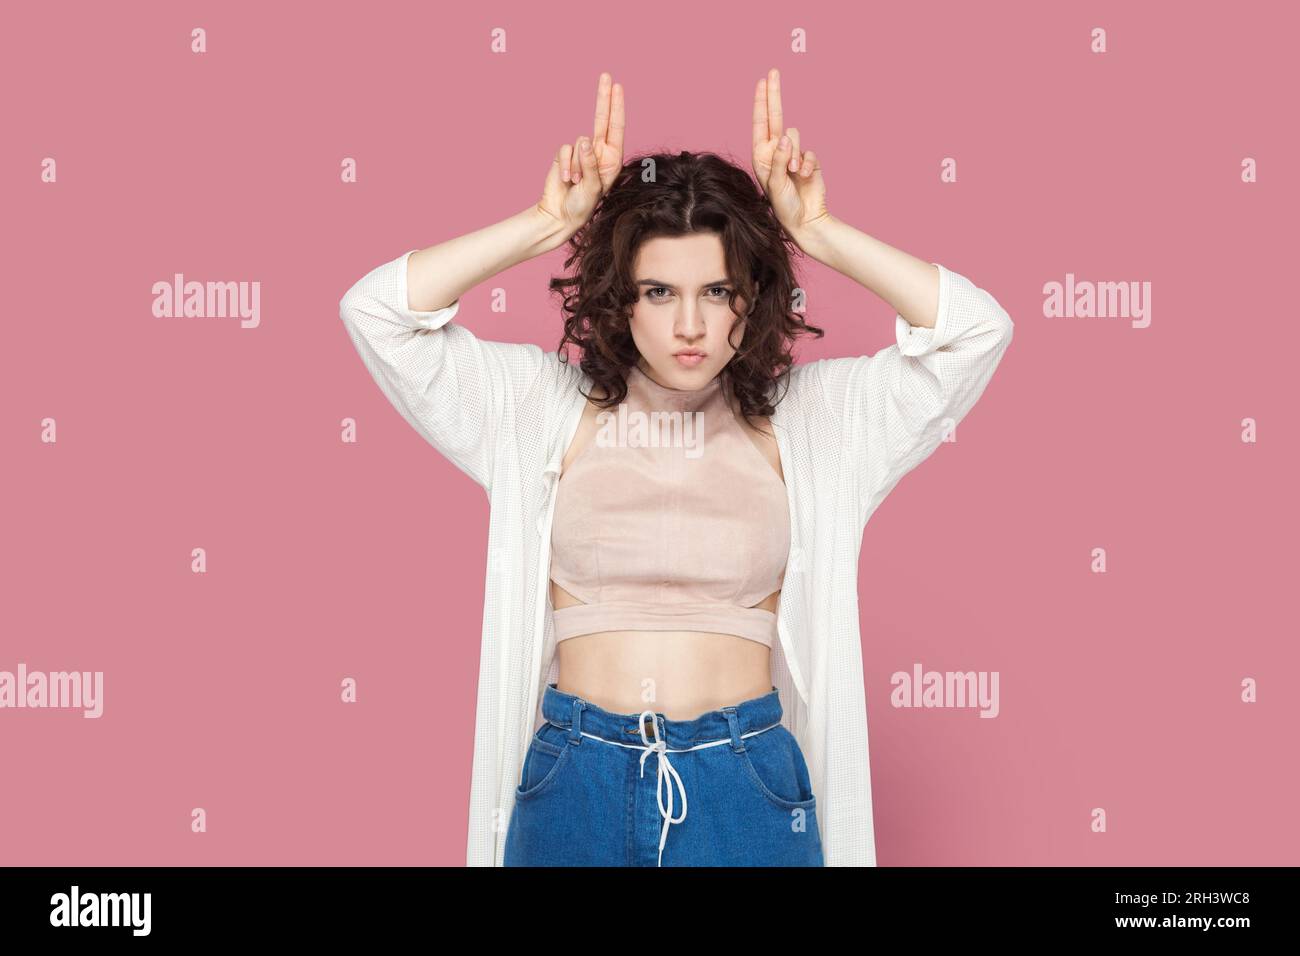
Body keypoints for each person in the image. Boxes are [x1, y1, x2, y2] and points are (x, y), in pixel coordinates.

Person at [339, 69, 1014, 866]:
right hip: (574, 780)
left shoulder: (814, 420)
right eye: (659, 291)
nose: (689, 325)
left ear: (753, 297)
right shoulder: (539, 409)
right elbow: (376, 312)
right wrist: (546, 222)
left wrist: (821, 230)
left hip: (744, 783)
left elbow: (976, 331)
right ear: (620, 298)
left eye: (717, 290)